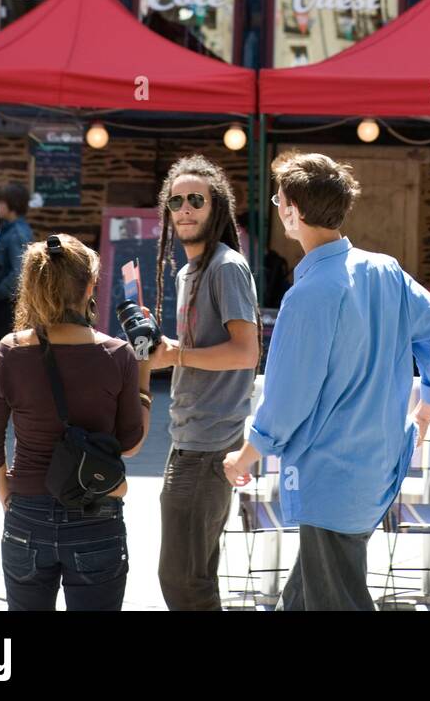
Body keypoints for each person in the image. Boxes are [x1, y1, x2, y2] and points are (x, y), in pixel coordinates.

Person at [223, 151, 430, 612]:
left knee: (334, 597)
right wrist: (426, 410)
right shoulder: (386, 271)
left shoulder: (310, 294)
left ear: (293, 212)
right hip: (374, 468)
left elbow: (288, 397)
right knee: (307, 596)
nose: (278, 208)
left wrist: (246, 454)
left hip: (331, 474)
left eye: (280, 200)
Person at [0, 233, 149, 612]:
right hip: (96, 513)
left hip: (27, 516)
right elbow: (131, 443)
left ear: (32, 288)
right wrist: (145, 367)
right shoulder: (117, 354)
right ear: (89, 287)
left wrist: (10, 497)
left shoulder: (9, 350)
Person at [144, 154, 260, 611]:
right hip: (189, 436)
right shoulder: (188, 271)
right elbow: (200, 347)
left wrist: (179, 355)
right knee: (192, 575)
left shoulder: (225, 267)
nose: (186, 208)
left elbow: (246, 352)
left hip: (209, 443)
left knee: (183, 580)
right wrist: (168, 348)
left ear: (217, 208)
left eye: (197, 199)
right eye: (176, 202)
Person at [0, 182, 33, 350]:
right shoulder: (8, 228)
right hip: (5, 299)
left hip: (7, 301)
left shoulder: (17, 234)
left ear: (10, 205)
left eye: (0, 203)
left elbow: (18, 272)